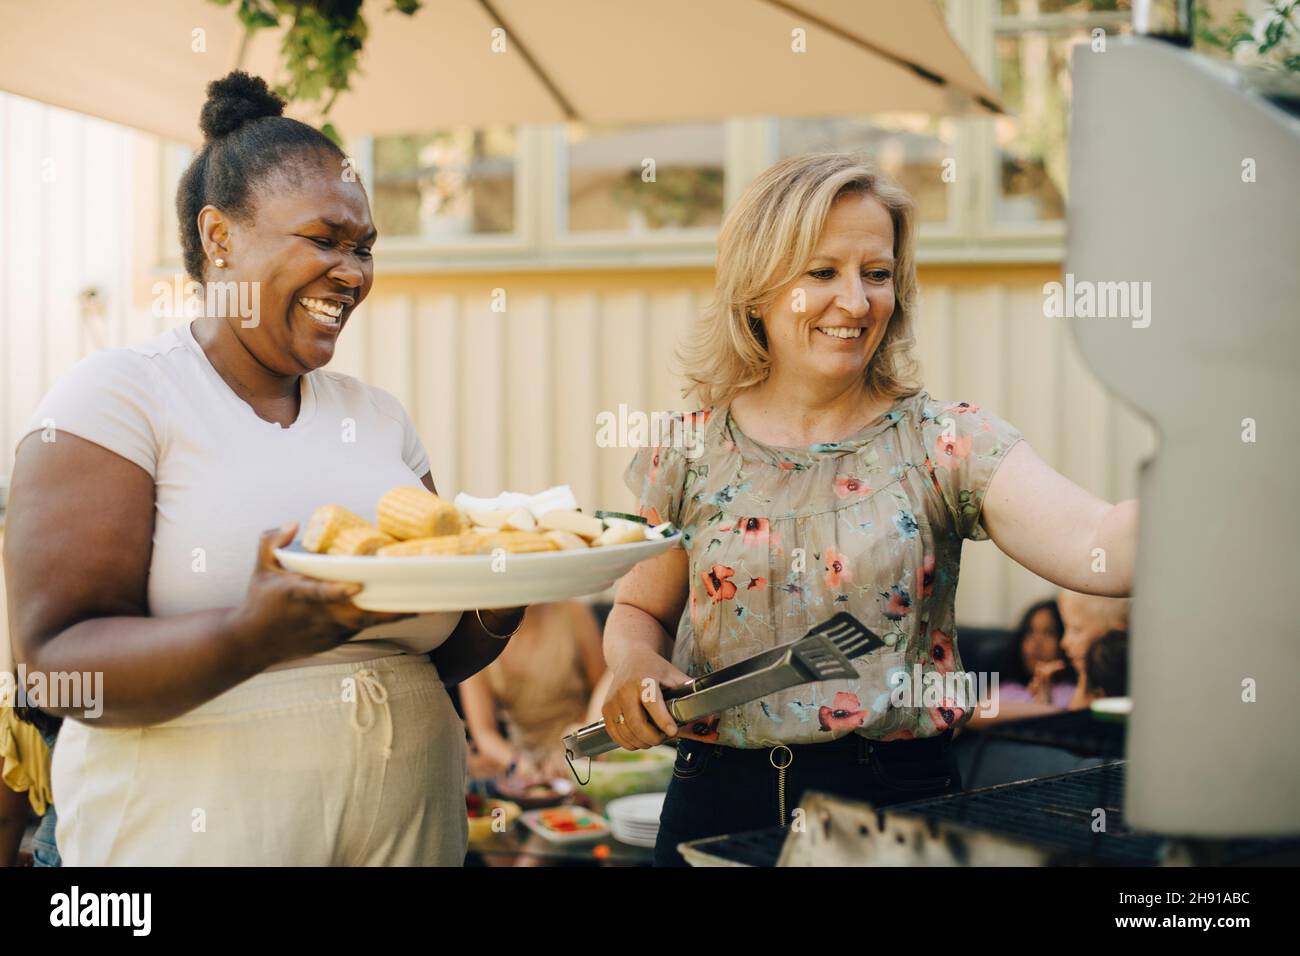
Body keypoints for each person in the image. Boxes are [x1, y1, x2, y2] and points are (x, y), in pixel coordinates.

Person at [2, 72, 525, 866]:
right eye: (323, 239)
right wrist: (248, 635)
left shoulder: (378, 418)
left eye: (364, 249)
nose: (352, 273)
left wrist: (499, 600)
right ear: (219, 237)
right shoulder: (116, 397)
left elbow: (435, 650)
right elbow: (56, 668)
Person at [599, 152, 1138, 866]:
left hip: (893, 808)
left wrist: (1230, 457)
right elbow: (640, 613)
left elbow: (1100, 545)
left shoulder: (948, 442)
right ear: (757, 290)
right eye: (822, 273)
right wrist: (634, 664)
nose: (855, 302)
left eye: (876, 274)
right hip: (715, 800)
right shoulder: (689, 452)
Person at [461, 601, 605, 782]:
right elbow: (484, 733)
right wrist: (516, 762)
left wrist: (576, 745)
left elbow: (604, 696)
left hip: (582, 753)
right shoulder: (474, 631)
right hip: (523, 764)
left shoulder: (574, 612)